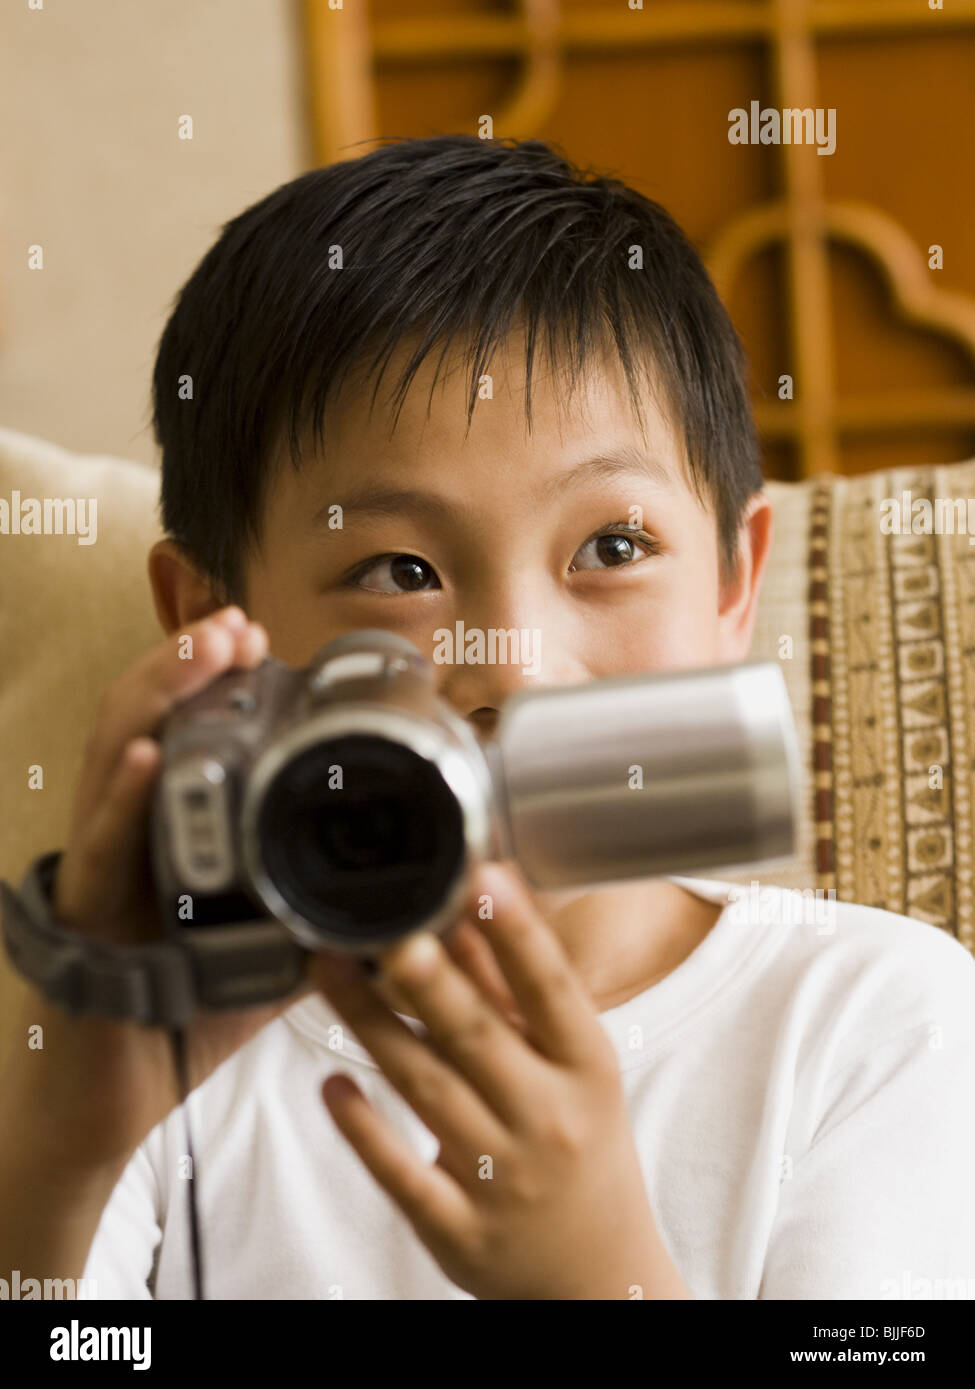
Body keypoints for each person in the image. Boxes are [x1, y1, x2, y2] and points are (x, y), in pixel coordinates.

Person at [2, 135, 974, 1300]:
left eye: (614, 548)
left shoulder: (870, 1017)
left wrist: (598, 1275)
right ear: (217, 629)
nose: (511, 671)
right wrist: (61, 1161)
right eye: (399, 570)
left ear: (733, 586)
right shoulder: (156, 1047)